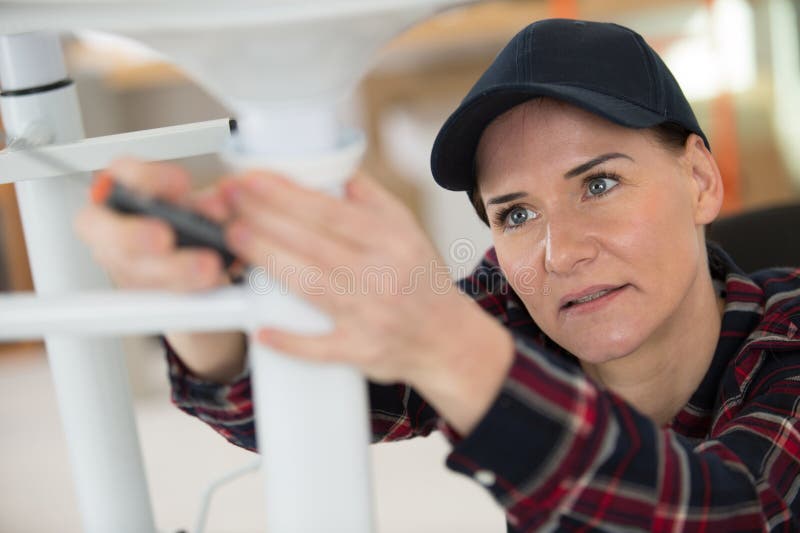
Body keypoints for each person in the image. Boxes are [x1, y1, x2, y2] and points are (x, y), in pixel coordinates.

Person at [75, 18, 800, 532]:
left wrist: (445, 342)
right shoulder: (510, 304)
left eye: (599, 184)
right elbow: (307, 403)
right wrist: (194, 297)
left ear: (701, 179)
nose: (560, 252)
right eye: (516, 214)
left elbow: (733, 512)